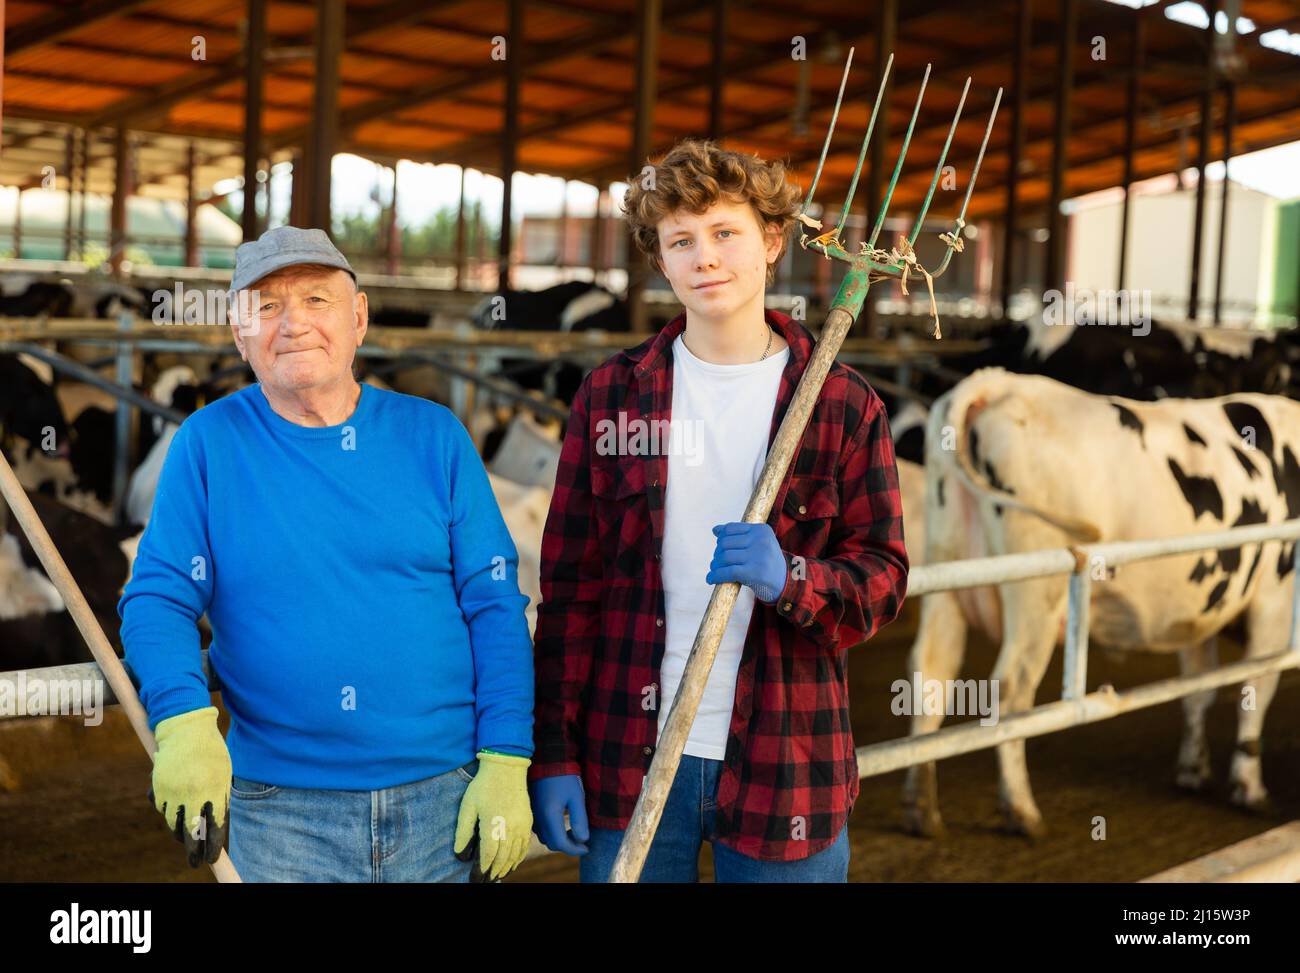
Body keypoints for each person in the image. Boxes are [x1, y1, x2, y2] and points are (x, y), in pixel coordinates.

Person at [529, 139, 910, 882]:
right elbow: (570, 592)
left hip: (786, 765)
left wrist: (792, 578)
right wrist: (555, 751)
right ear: (660, 260)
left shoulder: (839, 403)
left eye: (724, 232)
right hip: (626, 762)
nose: (705, 257)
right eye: (681, 240)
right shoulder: (611, 397)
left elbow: (884, 580)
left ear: (772, 240)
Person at [119, 226, 534, 882]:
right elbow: (157, 596)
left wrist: (508, 757)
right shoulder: (206, 445)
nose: (293, 324)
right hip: (281, 813)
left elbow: (495, 604)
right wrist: (183, 718)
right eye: (267, 306)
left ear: (359, 318)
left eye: (317, 300)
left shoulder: (434, 437)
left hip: (444, 799)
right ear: (237, 330)